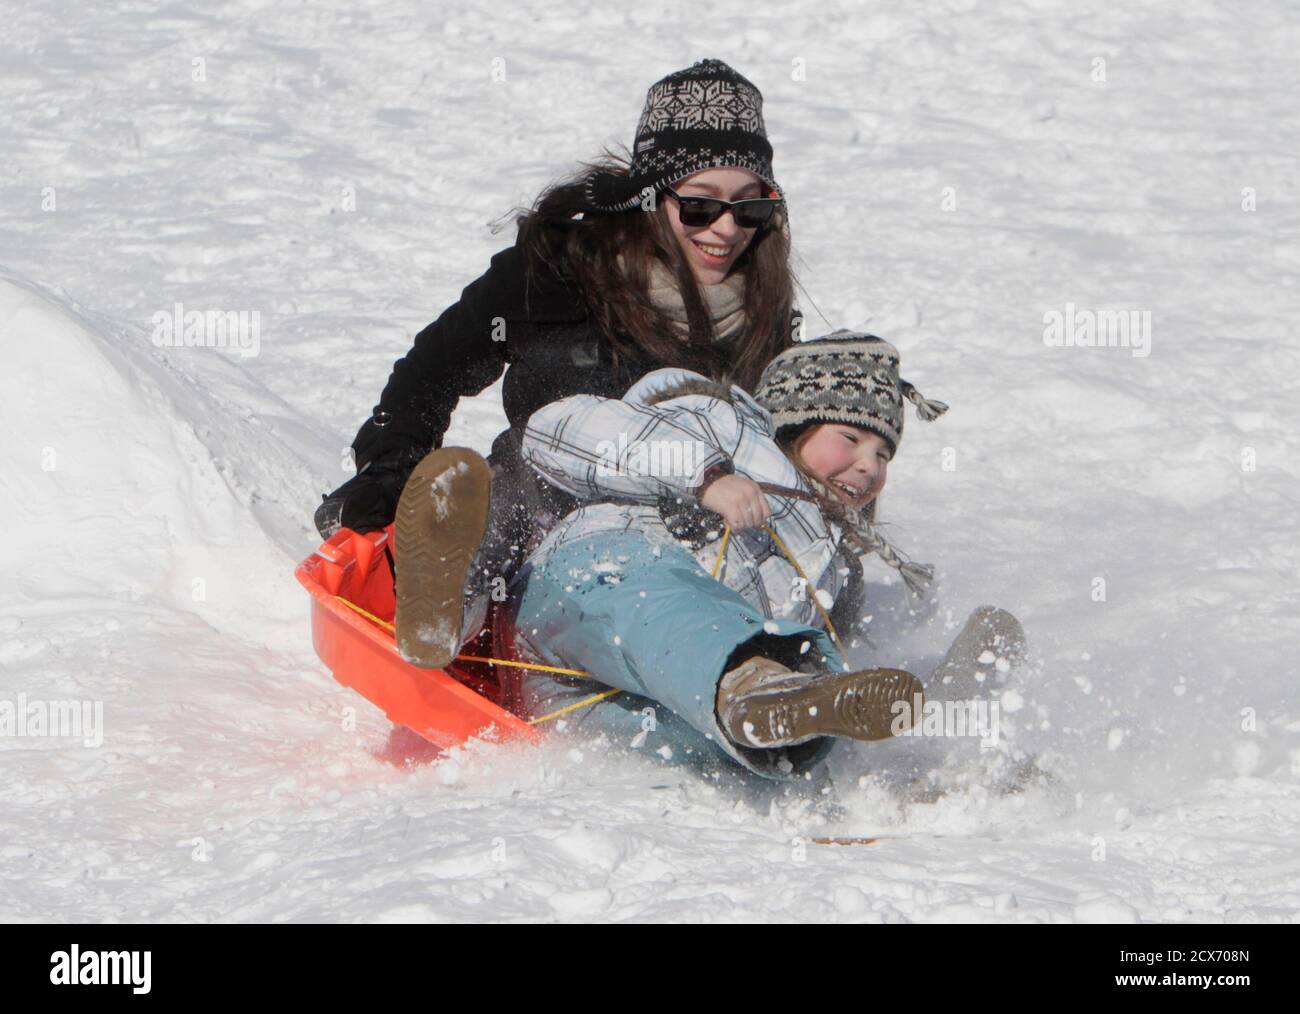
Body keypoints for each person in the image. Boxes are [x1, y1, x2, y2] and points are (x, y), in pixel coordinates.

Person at [310, 59, 810, 666]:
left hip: (680, 522)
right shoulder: (564, 271)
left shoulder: (762, 311)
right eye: (702, 207)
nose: (728, 230)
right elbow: (434, 367)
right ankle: (443, 609)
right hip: (541, 504)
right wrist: (389, 470)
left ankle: (767, 668)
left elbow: (786, 445)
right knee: (512, 477)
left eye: (751, 209)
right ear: (652, 196)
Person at [490, 331, 950, 781]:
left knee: (752, 757)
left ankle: (915, 762)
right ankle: (451, 596)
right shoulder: (724, 428)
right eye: (850, 437)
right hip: (593, 593)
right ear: (796, 418)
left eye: (884, 455)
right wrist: (705, 477)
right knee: (668, 602)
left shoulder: (831, 564)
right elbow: (557, 431)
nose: (870, 465)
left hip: (598, 707)